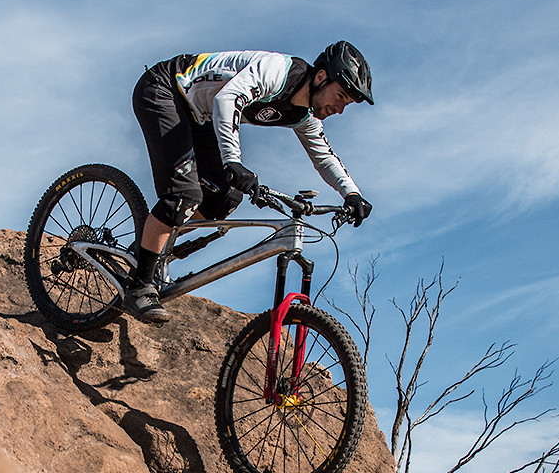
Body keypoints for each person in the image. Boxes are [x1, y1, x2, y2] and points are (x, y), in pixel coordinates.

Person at [126, 41, 374, 324]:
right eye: (340, 96)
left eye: (346, 104)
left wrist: (351, 193)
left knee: (225, 198)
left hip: (200, 114)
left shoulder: (304, 115)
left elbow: (323, 156)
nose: (339, 109)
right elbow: (227, 99)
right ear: (320, 77)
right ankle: (140, 285)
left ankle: (148, 249)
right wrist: (233, 161)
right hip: (167, 89)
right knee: (183, 196)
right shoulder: (277, 72)